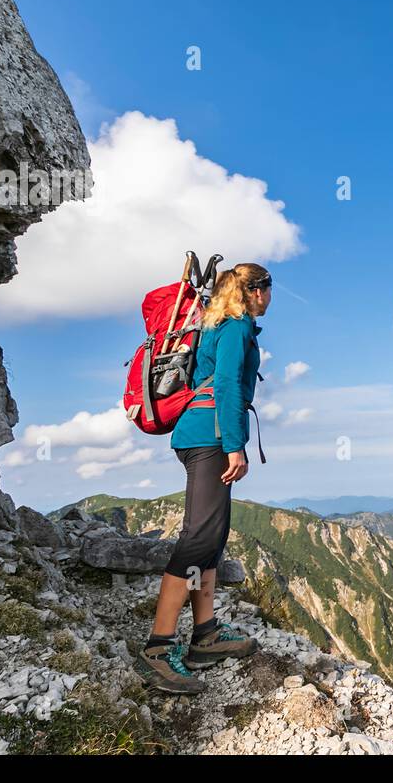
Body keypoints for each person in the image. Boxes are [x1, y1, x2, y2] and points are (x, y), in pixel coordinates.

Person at [134, 262, 272, 694]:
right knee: (197, 539)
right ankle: (158, 649)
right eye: (268, 289)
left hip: (198, 433)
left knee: (211, 538)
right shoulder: (235, 327)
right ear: (254, 291)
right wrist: (234, 443)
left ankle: (205, 633)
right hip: (211, 437)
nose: (270, 297)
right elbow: (228, 384)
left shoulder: (213, 326)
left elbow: (201, 381)